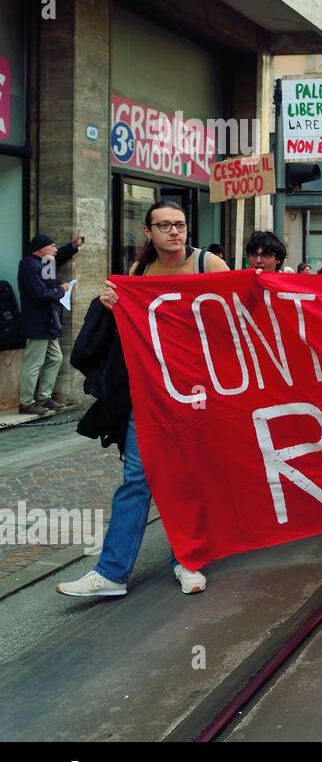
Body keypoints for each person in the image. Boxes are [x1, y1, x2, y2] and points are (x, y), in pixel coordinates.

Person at [56, 201, 231, 598]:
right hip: (148, 392)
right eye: (164, 225)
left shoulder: (208, 266)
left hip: (197, 394)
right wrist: (110, 306)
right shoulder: (140, 273)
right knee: (137, 477)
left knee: (186, 477)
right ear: (148, 232)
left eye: (180, 224)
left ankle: (187, 560)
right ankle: (111, 572)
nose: (174, 231)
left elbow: (235, 320)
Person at [17, 233, 83, 415]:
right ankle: (26, 402)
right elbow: (40, 294)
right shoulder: (29, 265)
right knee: (34, 362)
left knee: (55, 358)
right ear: (42, 249)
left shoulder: (44, 262)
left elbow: (59, 255)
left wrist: (73, 246)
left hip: (48, 321)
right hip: (37, 322)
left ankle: (43, 398)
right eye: (52, 246)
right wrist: (61, 290)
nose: (55, 250)